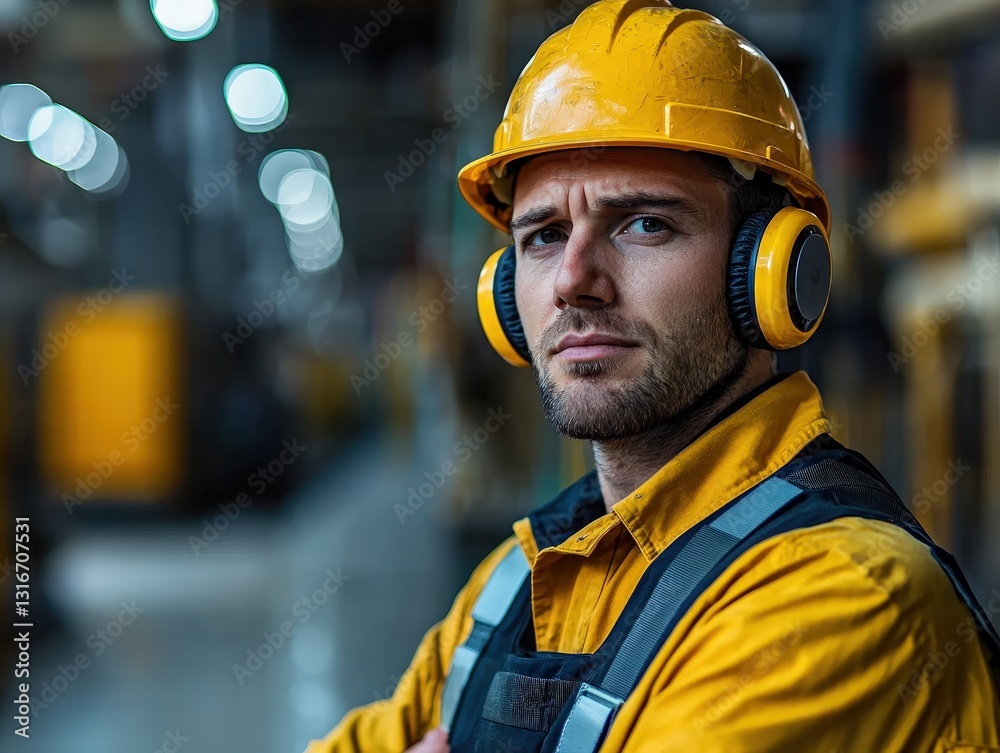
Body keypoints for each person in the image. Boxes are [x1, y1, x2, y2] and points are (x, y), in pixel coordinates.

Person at [303, 1, 1000, 751]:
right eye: (544, 236)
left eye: (644, 224)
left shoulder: (843, 595)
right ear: (503, 295)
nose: (574, 281)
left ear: (770, 270)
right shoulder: (513, 581)